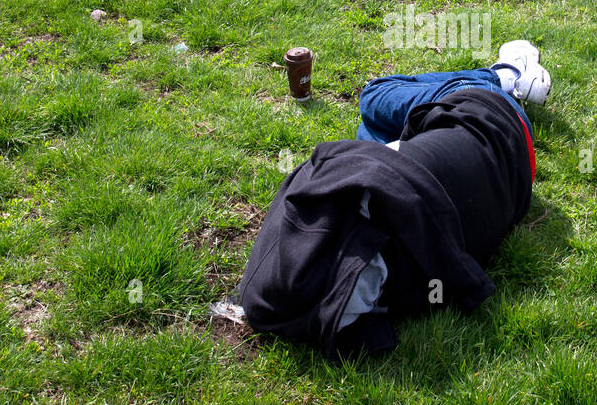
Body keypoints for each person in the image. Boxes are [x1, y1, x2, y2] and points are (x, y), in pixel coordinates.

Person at [235, 41, 552, 357]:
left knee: (370, 131)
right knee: (373, 96)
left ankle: (505, 92)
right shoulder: (358, 187)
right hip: (486, 112)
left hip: (519, 174)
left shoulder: (404, 289)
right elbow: (325, 159)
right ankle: (505, 76)